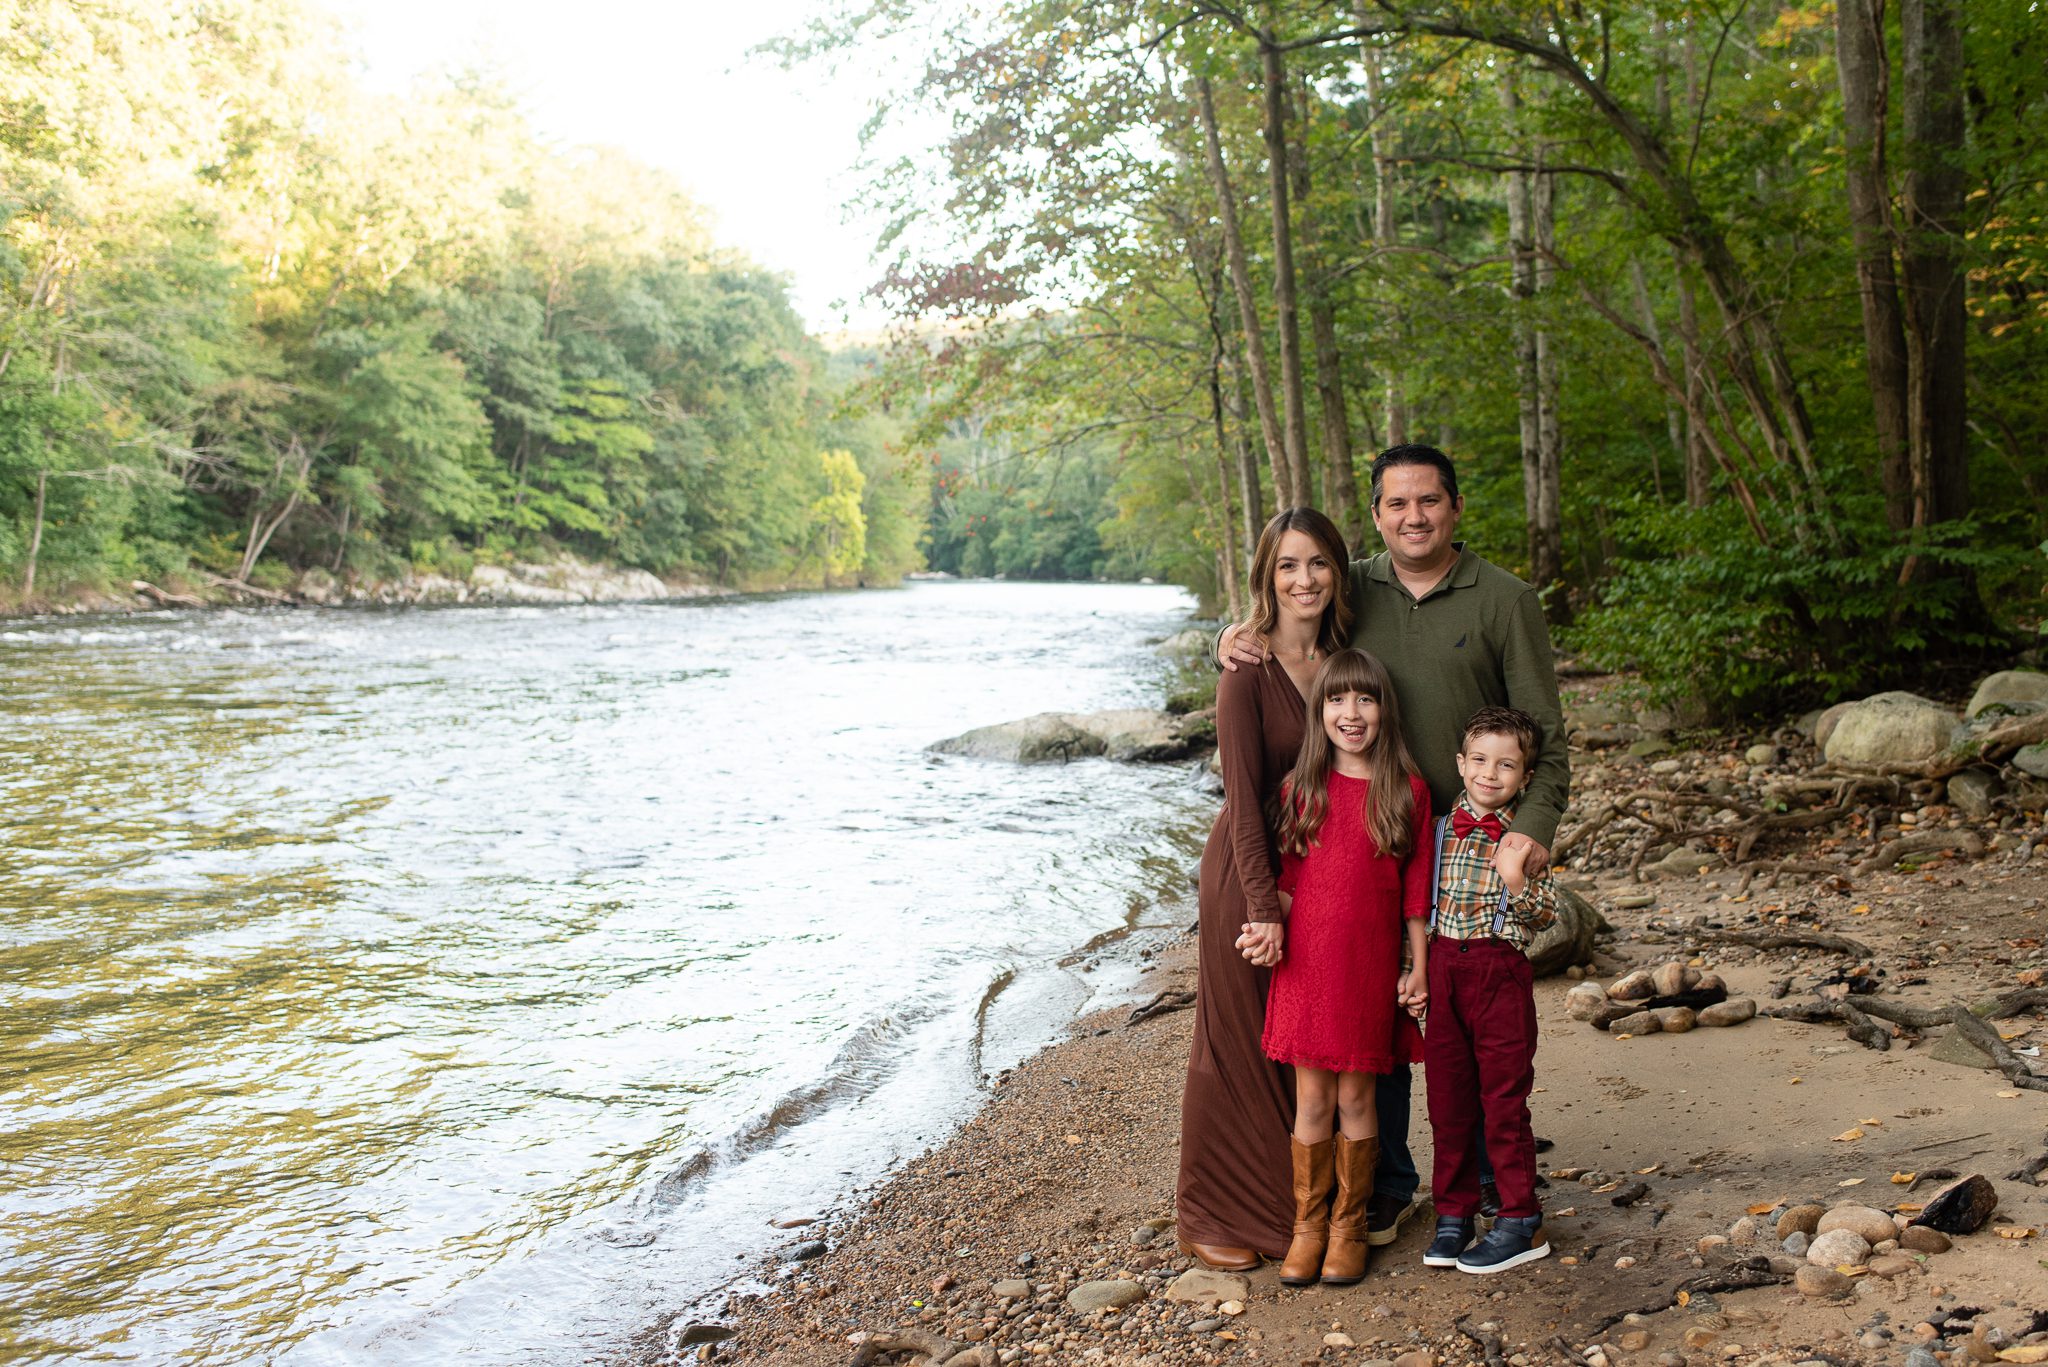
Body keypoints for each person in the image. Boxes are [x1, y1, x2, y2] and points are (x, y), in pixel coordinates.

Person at [1219, 443, 1570, 1248]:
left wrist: (1530, 830)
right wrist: (1233, 638)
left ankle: (1492, 1177)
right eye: (1397, 504)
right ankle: (1389, 1181)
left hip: (1471, 849)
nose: (1415, 516)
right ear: (1376, 514)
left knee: (1469, 1021)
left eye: (1430, 500)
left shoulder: (1506, 599)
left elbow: (1547, 740)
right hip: (1372, 836)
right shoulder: (1356, 588)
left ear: (1455, 506)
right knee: (1375, 1006)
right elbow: (1291, 616)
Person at [1176, 507, 1353, 1270]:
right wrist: (1262, 906)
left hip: (1325, 874)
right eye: (1287, 565)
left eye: (1317, 563)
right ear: (1266, 577)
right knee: (1238, 1041)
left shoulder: (1348, 661)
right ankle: (1210, 1212)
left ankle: (1296, 1204)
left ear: (1337, 571)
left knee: (1304, 1042)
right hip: (1250, 876)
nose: (1303, 579)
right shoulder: (1244, 672)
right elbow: (1244, 803)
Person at [1261, 649, 1431, 1286]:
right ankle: (1308, 1225)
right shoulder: (1300, 789)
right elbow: (1286, 880)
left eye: (1365, 699)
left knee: (1358, 1095)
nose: (1351, 713)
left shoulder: (1406, 790)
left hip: (1368, 966)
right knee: (1311, 1099)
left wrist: (1417, 966)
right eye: (1336, 699)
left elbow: (1415, 891)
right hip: (1308, 964)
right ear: (1320, 711)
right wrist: (1263, 928)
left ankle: (1349, 1226)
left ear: (1384, 710)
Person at [1420, 705, 1558, 1274]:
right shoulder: (1436, 829)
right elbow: (1416, 907)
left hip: (1499, 973)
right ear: (1460, 763)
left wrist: (1516, 879)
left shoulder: (1525, 839)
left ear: (1525, 776)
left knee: (1503, 1101)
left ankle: (1520, 1219)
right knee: (1448, 1102)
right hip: (1442, 970)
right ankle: (1454, 1213)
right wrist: (1411, 970)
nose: (1489, 774)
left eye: (1505, 765)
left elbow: (1545, 917)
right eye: (1479, 760)